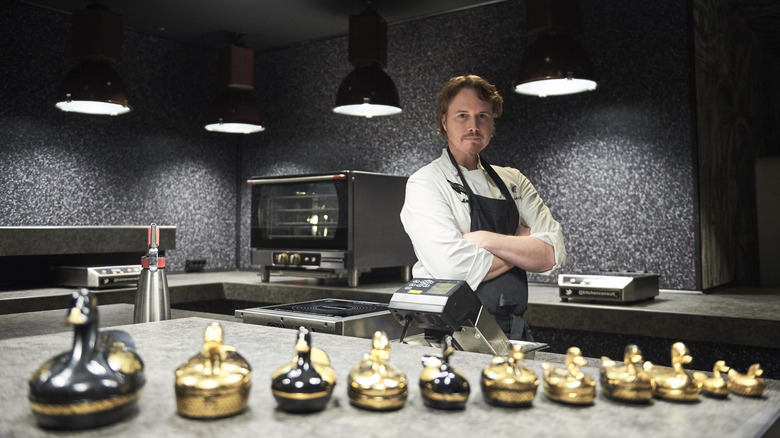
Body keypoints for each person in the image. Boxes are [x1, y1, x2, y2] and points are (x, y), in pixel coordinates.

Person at [400, 74, 566, 341]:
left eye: (483, 116)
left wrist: (484, 239)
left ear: (492, 123)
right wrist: (519, 246)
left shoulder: (514, 180)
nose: (473, 126)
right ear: (444, 122)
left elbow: (552, 254)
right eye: (462, 116)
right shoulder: (425, 182)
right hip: (448, 334)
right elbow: (453, 268)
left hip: (511, 332)